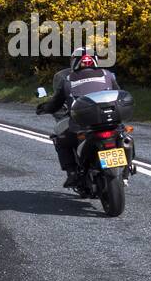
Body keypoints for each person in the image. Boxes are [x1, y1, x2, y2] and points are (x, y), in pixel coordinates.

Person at [36, 46, 120, 188]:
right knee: (124, 136)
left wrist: (44, 108)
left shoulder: (68, 80)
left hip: (83, 124)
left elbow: (56, 103)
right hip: (110, 121)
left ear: (74, 62)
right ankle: (128, 166)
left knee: (61, 139)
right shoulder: (108, 75)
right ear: (95, 60)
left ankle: (72, 173)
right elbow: (118, 94)